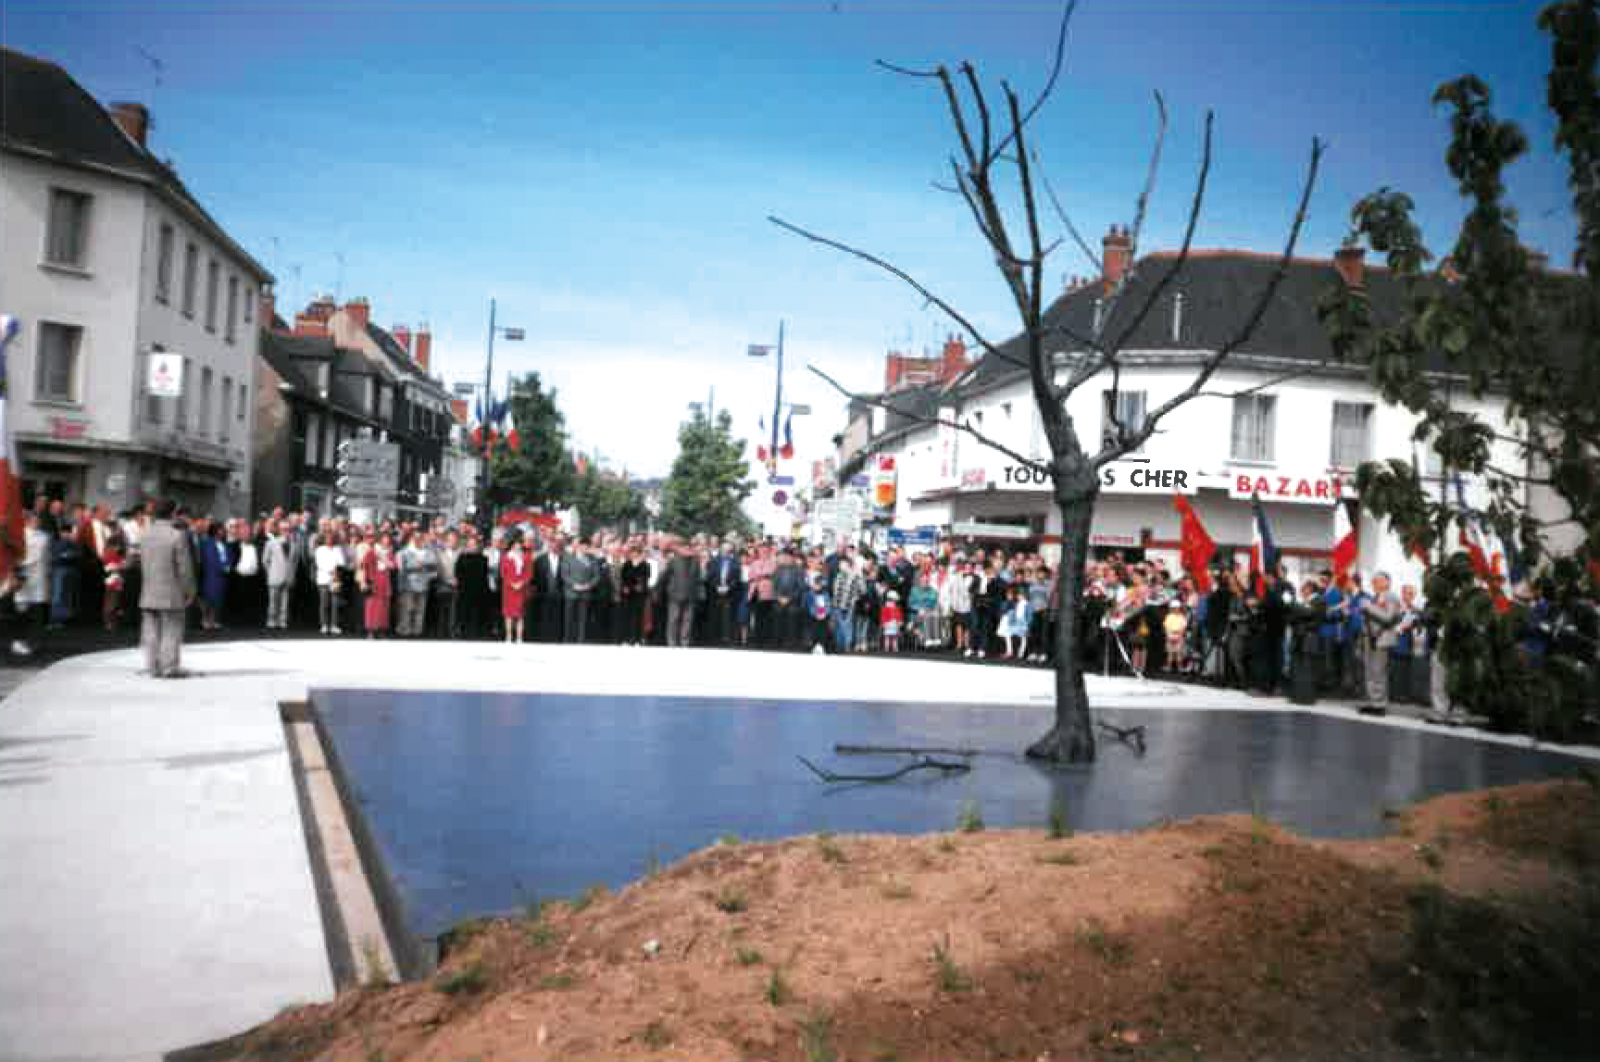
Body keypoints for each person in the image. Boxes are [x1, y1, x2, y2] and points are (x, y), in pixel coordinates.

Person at [138, 499, 196, 678]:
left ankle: (152, 666)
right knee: (172, 628)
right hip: (171, 590)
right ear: (173, 513)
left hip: (149, 588)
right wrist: (190, 590)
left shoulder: (145, 534)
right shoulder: (176, 535)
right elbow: (184, 568)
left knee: (151, 630)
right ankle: (169, 666)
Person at [1358, 571, 1401, 714]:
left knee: (1378, 672)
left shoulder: (1391, 597)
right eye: (1373, 581)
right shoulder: (1375, 597)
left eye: (1377, 581)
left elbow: (1388, 617)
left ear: (1387, 582)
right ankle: (1372, 701)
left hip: (1381, 639)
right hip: (1369, 637)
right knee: (1369, 672)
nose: (1374, 584)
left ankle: (1380, 704)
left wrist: (1368, 607)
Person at [359, 533, 397, 638]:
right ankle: (370, 631)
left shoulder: (389, 553)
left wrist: (383, 557)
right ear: (380, 540)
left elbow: (393, 566)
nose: (386, 541)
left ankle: (381, 630)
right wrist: (364, 581)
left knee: (384, 608)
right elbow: (363, 566)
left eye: (388, 539)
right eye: (384, 539)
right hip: (373, 582)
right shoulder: (372, 551)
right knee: (372, 607)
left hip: (385, 582)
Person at [664, 542, 700, 647]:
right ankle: (672, 643)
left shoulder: (695, 562)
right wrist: (665, 590)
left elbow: (697, 578)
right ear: (680, 549)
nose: (687, 550)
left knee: (688, 621)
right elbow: (665, 576)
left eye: (689, 548)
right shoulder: (673, 561)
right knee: (673, 619)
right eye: (685, 548)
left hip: (690, 595)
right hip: (675, 595)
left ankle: (685, 642)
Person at [197, 521, 230, 631]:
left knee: (218, 599)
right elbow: (211, 559)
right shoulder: (207, 543)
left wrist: (228, 564)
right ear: (215, 531)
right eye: (221, 529)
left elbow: (228, 556)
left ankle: (214, 620)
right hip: (211, 574)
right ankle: (205, 620)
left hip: (222, 575)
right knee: (208, 598)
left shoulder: (223, 543)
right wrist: (222, 567)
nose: (223, 531)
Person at [314, 530, 346, 635]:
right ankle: (324, 625)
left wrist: (336, 570)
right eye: (327, 538)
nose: (330, 539)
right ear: (324, 539)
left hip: (335, 580)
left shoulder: (338, 549)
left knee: (335, 604)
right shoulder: (319, 550)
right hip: (323, 580)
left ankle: (334, 625)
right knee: (324, 604)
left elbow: (342, 562)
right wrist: (331, 570)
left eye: (331, 538)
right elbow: (319, 564)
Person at [262, 523, 293, 630]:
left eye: (288, 529)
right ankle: (271, 621)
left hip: (287, 576)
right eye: (284, 529)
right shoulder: (271, 543)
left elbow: (294, 561)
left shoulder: (293, 543)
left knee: (285, 602)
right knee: (273, 601)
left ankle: (282, 621)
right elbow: (265, 561)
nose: (286, 531)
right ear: (280, 530)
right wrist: (270, 572)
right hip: (274, 576)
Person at [618, 546, 650, 645]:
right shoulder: (626, 564)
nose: (634, 554)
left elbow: (646, 577)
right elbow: (623, 578)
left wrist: (641, 586)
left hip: (639, 594)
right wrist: (625, 587)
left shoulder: (645, 565)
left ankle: (638, 638)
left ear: (639, 553)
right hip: (628, 595)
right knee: (627, 616)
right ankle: (627, 638)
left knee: (638, 617)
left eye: (636, 553)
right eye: (632, 553)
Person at [500, 537, 529, 643]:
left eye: (519, 544)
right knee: (508, 614)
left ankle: (519, 637)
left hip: (521, 589)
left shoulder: (525, 557)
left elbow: (528, 574)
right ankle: (508, 636)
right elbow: (503, 573)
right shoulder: (506, 557)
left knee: (520, 615)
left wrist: (522, 583)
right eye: (515, 544)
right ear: (512, 545)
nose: (517, 546)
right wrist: (511, 583)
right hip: (509, 589)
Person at [1163, 601, 1188, 673]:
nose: (1175, 609)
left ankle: (1179, 667)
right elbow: (1166, 627)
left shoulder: (1182, 617)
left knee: (1178, 653)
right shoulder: (1169, 616)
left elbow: (1183, 628)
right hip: (1170, 635)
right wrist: (1168, 635)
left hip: (1178, 635)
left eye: (1176, 608)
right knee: (1170, 653)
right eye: (1174, 608)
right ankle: (1169, 667)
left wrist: (1180, 635)